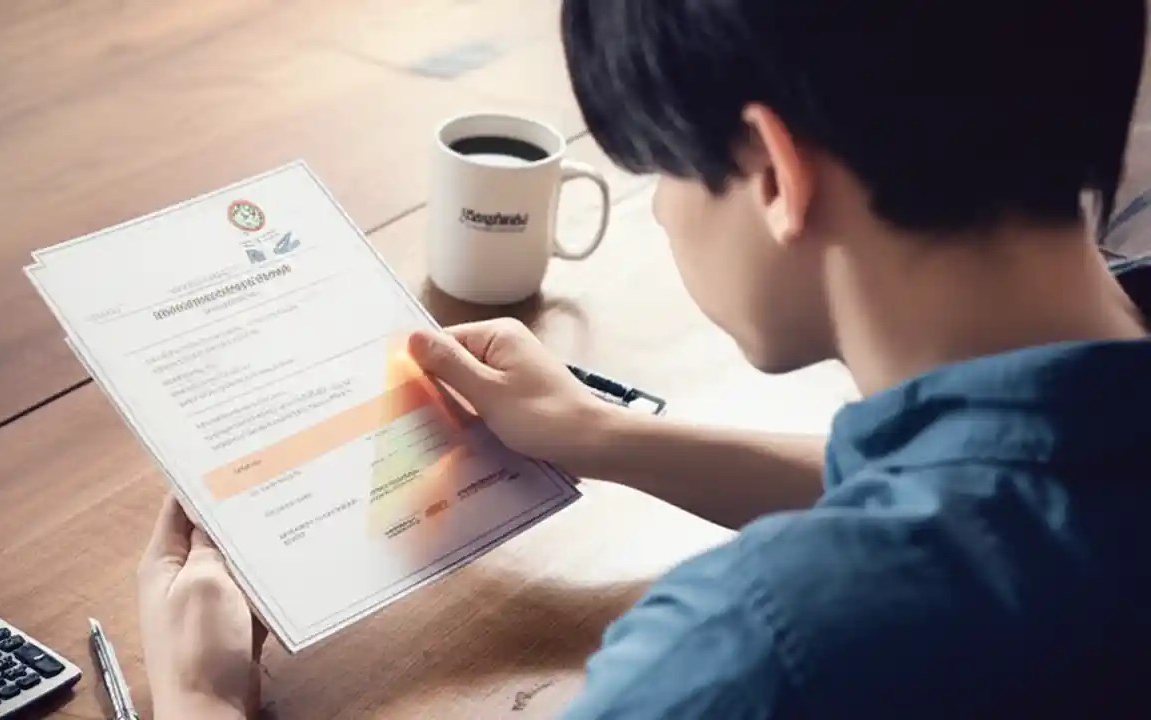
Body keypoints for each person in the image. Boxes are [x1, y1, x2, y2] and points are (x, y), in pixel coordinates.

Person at [135, 0, 1151, 716]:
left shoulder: (749, 657)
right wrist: (606, 436)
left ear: (769, 174)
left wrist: (196, 698)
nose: (662, 211)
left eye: (659, 169)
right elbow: (1007, 504)